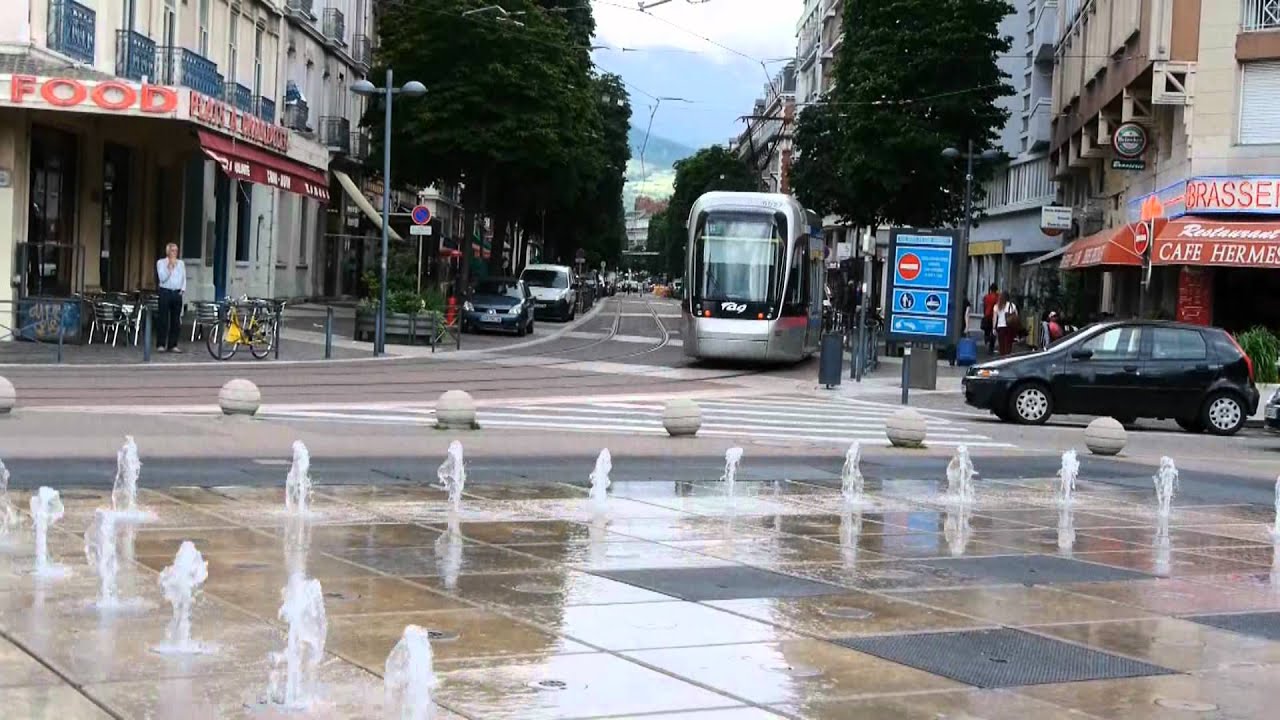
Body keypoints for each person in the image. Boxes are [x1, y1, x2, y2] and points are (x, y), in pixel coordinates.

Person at [155, 243, 186, 353]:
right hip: (165, 292)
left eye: (176, 251)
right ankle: (161, 344)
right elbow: (162, 278)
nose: (175, 253)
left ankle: (173, 344)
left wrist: (182, 290)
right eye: (172, 250)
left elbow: (183, 278)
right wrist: (170, 267)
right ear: (168, 252)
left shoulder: (181, 263)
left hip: (176, 293)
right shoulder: (161, 263)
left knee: (175, 320)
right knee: (163, 319)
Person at [994, 291, 1019, 355]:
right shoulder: (1012, 305)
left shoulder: (997, 306)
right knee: (1008, 345)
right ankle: (1008, 357)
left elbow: (994, 318)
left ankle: (1002, 357)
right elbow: (1016, 316)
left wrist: (994, 328)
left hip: (1000, 327)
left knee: (1001, 345)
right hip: (1009, 327)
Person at [981, 283, 999, 354]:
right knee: (993, 332)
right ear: (996, 290)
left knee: (987, 332)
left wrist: (985, 314)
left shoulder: (986, 297)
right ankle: (991, 347)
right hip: (994, 317)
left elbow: (984, 307)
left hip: (987, 316)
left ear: (990, 289)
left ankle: (987, 342)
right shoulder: (997, 298)